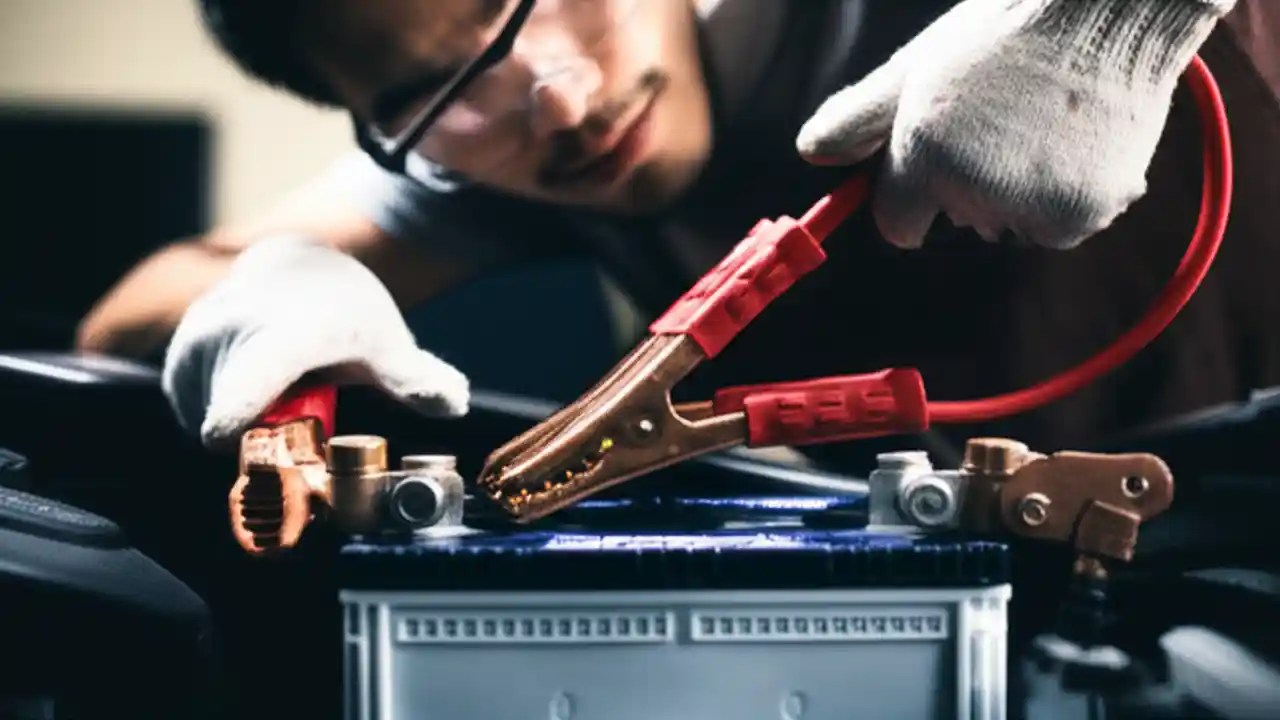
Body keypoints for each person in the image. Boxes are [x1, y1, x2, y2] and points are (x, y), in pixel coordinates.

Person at [77, 0, 1279, 472]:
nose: (555, 97)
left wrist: (1122, 16)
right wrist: (279, 284)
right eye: (435, 90)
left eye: (529, 0)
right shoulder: (489, 169)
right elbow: (132, 310)